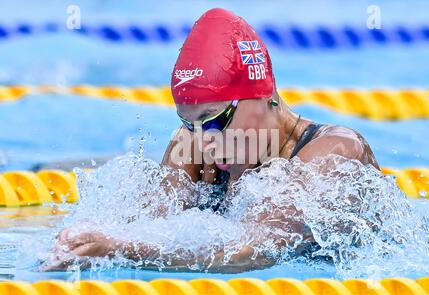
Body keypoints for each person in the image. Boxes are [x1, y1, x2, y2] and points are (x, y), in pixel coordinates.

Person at [42, 8, 379, 272]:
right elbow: (145, 224)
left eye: (214, 120)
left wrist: (119, 247)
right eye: (189, 123)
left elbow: (256, 247)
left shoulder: (334, 151)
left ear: (264, 96)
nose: (203, 141)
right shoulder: (190, 145)